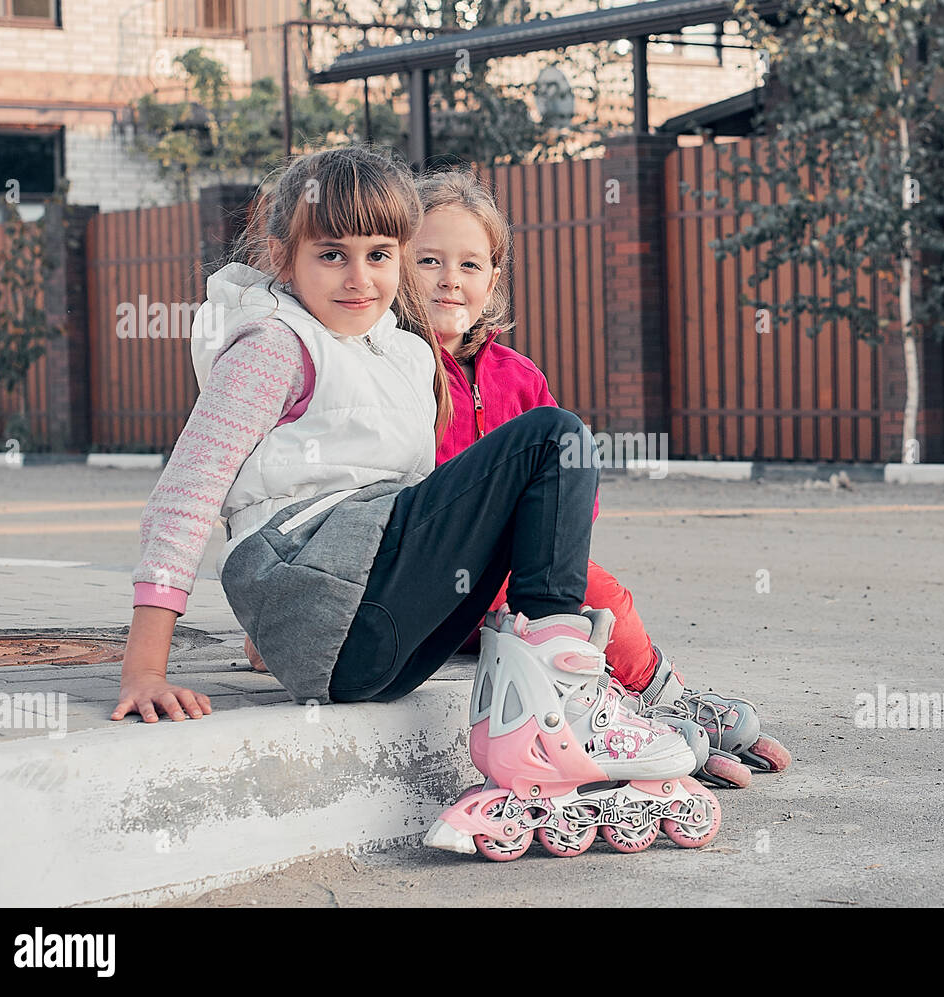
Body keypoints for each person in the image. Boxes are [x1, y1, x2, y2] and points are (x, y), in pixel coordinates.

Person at [110, 145, 718, 860]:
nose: (359, 278)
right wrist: (145, 668)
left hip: (383, 640)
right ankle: (554, 708)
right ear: (282, 256)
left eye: (379, 254)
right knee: (553, 437)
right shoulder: (275, 344)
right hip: (325, 595)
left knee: (541, 479)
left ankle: (550, 703)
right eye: (331, 255)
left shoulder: (402, 356)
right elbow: (188, 490)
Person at [410, 168, 792, 789]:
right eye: (429, 260)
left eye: (470, 264)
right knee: (583, 602)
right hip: (435, 581)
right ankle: (638, 720)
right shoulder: (398, 368)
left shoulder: (518, 375)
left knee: (601, 594)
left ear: (494, 279)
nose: (450, 278)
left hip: (518, 575)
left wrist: (544, 542)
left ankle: (664, 702)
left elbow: (569, 485)